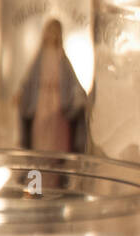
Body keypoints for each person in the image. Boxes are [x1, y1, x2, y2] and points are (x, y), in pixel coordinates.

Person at [16, 18, 87, 152]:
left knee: (57, 135)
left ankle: (57, 168)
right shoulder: (40, 57)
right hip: (42, 102)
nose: (52, 35)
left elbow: (73, 81)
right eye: (50, 31)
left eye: (56, 32)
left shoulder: (61, 57)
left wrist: (79, 97)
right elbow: (29, 79)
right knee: (40, 133)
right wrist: (22, 93)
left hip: (58, 103)